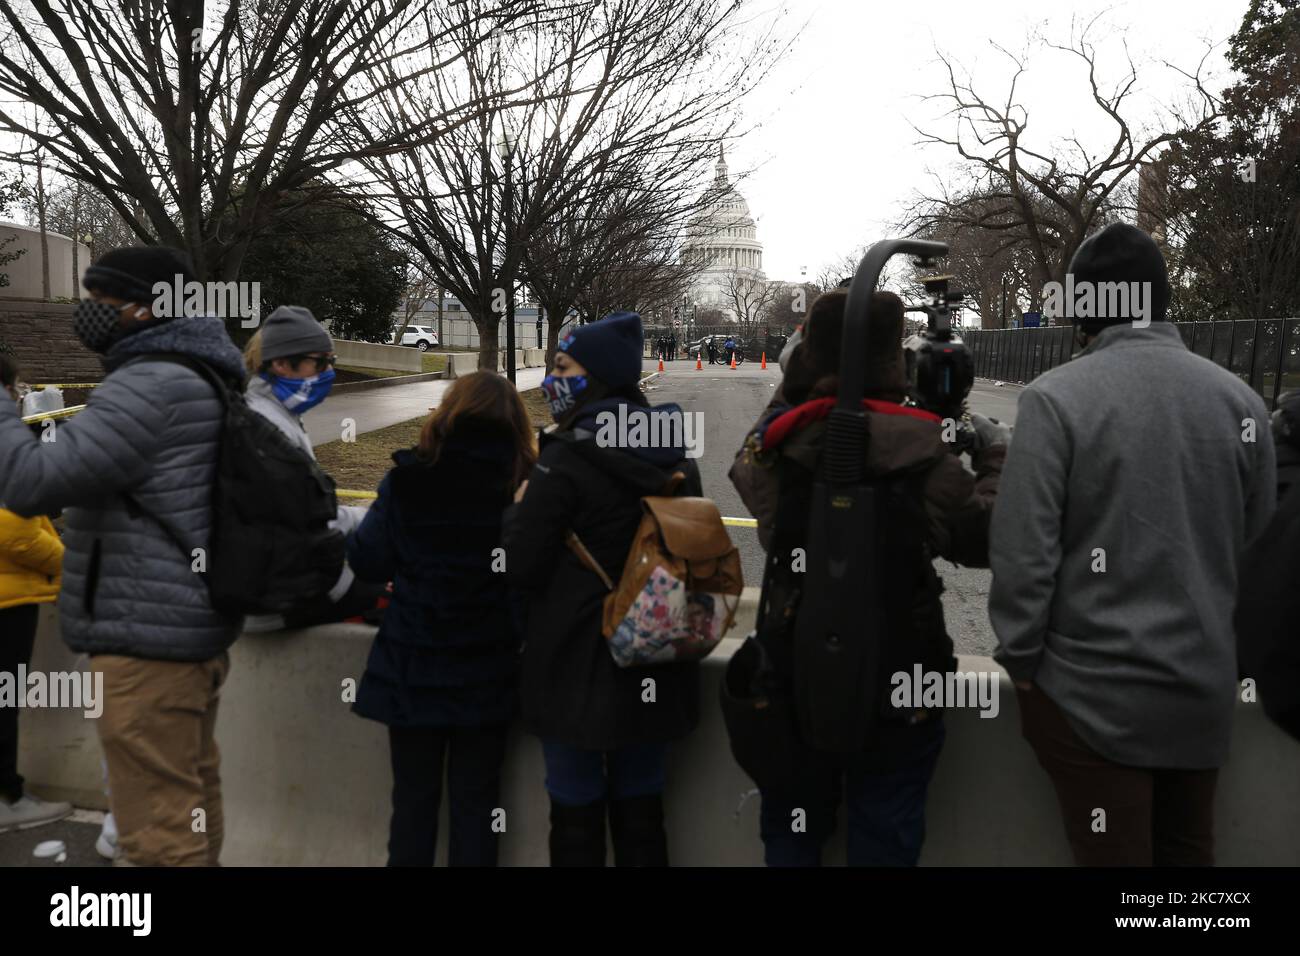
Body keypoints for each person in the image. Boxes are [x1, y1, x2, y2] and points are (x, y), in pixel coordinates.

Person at [989, 223, 1276, 866]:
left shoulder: (1055, 400)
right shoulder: (1243, 404)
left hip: (1090, 702)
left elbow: (1023, 558)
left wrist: (1024, 663)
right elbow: (1257, 551)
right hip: (1201, 697)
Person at [728, 288, 1006, 866]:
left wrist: (797, 378)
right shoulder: (924, 452)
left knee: (791, 832)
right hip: (902, 679)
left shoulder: (780, 448)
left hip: (792, 669)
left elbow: (744, 464)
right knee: (887, 832)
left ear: (807, 359)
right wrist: (996, 459)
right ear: (895, 362)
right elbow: (983, 541)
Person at [0, 247, 246, 866]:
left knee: (158, 836)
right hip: (181, 630)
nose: (89, 313)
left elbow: (30, 482)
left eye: (101, 301)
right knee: (187, 807)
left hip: (146, 647)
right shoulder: (200, 371)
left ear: (147, 307)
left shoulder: (150, 382)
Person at [503, 310, 702, 867]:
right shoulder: (677, 452)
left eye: (562, 366)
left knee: (575, 812)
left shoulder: (563, 457)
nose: (549, 378)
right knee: (643, 813)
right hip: (655, 656)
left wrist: (516, 514)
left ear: (594, 377)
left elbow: (520, 564)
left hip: (574, 664)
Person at [348, 371, 534, 866]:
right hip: (488, 669)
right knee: (478, 808)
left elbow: (368, 559)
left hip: (411, 664)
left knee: (411, 803)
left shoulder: (409, 478)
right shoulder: (524, 485)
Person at [240, 310, 384, 631]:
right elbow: (311, 519)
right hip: (277, 599)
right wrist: (376, 518)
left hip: (271, 586)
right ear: (281, 364)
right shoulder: (264, 428)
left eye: (330, 360)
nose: (329, 371)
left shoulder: (275, 415)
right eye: (319, 362)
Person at [0, 353, 72, 834]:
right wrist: (67, 563)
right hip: (10, 596)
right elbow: (12, 530)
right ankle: (8, 798)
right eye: (18, 388)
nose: (22, 397)